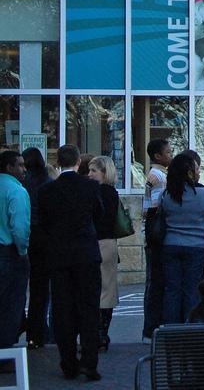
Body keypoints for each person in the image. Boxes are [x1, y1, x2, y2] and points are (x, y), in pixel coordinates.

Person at [36, 144, 103, 381]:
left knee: (63, 310)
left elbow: (41, 225)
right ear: (78, 163)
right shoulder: (91, 187)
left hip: (59, 255)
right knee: (89, 308)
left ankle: (68, 362)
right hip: (86, 254)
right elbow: (99, 215)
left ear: (58, 163)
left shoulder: (47, 191)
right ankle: (89, 362)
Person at [160, 153, 204, 325]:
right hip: (196, 246)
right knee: (191, 290)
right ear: (190, 172)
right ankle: (190, 329)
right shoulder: (203, 194)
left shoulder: (167, 195)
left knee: (172, 290)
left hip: (170, 244)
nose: (199, 172)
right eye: (197, 169)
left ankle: (170, 329)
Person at [0, 150, 30, 371]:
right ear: (9, 168)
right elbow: (19, 228)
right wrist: (22, 251)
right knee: (11, 305)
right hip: (8, 252)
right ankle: (5, 353)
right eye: (20, 165)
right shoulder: (16, 191)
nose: (24, 169)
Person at [87, 156, 120, 351]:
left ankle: (97, 332)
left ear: (104, 172)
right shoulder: (112, 193)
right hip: (108, 242)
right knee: (107, 290)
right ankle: (101, 332)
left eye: (94, 171)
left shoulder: (97, 192)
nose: (89, 174)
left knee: (99, 290)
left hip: (98, 242)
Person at [21, 147, 52, 350]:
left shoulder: (22, 184)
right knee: (41, 289)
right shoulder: (47, 183)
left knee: (18, 288)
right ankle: (37, 333)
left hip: (25, 237)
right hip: (43, 239)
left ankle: (21, 325)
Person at [142, 138, 173, 339]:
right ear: (158, 156)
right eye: (168, 152)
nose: (171, 155)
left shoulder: (159, 175)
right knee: (156, 282)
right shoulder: (158, 177)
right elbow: (154, 208)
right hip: (157, 236)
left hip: (154, 235)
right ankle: (151, 327)